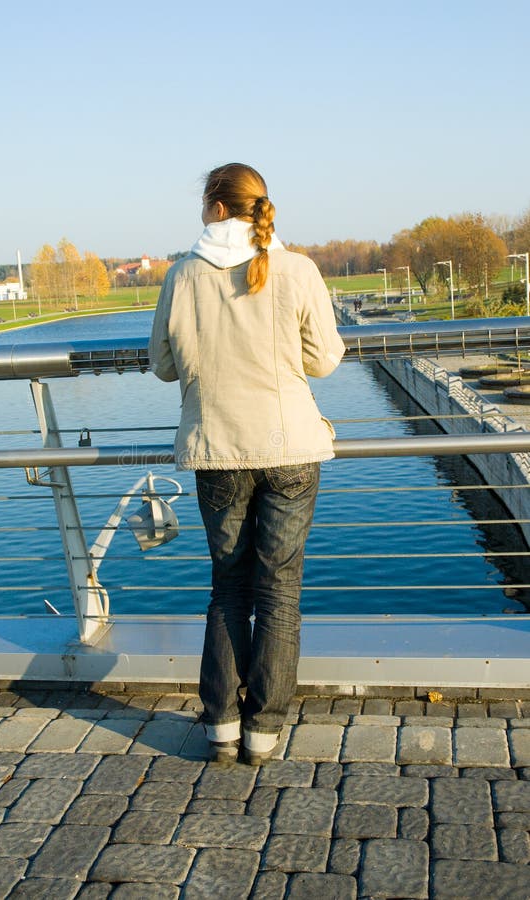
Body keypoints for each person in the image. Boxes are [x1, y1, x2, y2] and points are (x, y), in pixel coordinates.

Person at [149, 163, 345, 765]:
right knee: (280, 592)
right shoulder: (298, 270)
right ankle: (264, 732)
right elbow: (324, 360)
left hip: (219, 450)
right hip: (290, 449)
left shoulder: (183, 275)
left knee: (228, 588)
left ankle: (221, 727)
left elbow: (162, 364)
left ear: (215, 207)